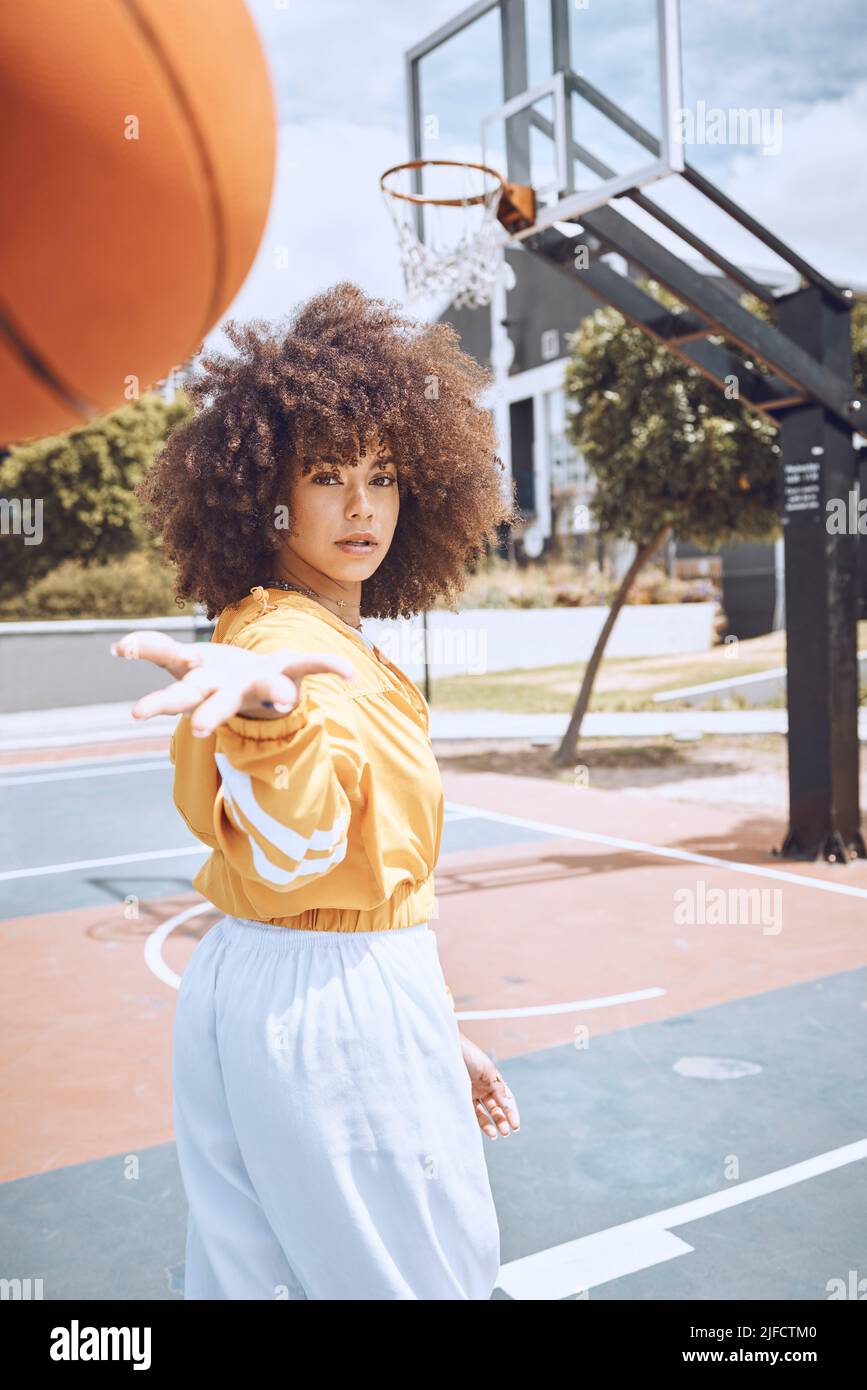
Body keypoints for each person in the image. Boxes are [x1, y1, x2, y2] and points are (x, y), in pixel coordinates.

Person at [112, 281, 522, 1300]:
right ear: (268, 495)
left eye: (383, 475)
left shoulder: (301, 630)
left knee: (251, 1284)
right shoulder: (282, 643)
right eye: (327, 475)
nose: (362, 505)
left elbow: (329, 879)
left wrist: (433, 1030)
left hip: (275, 985)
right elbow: (299, 845)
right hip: (327, 1010)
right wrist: (269, 724)